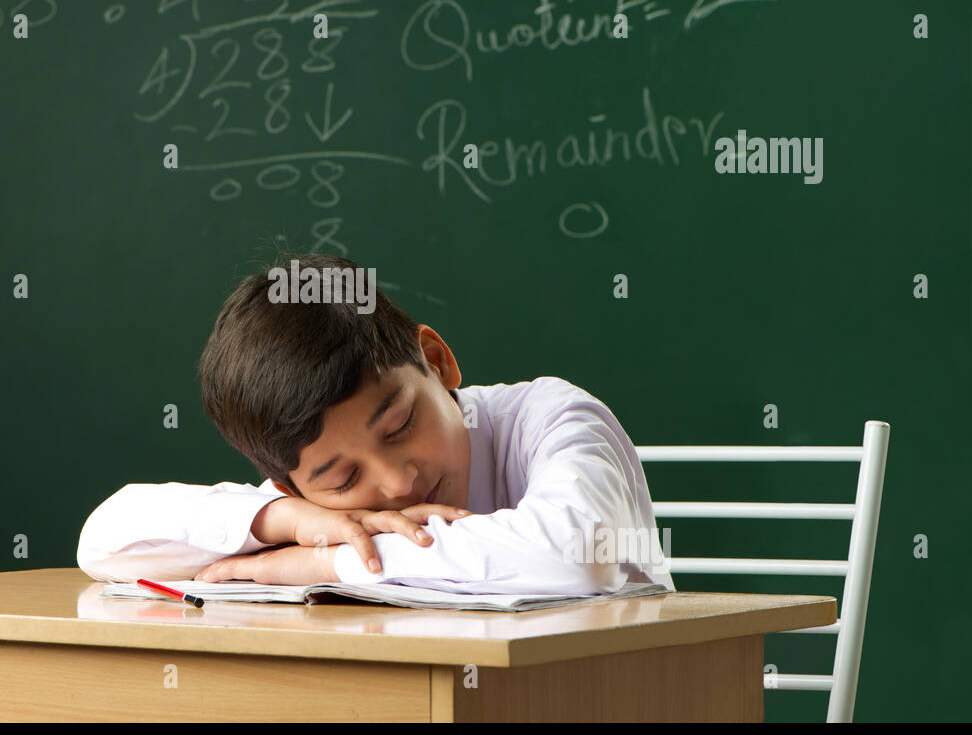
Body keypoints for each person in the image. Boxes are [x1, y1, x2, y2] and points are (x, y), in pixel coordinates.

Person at [77, 254, 674, 595]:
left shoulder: (551, 416)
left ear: (437, 362)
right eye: (342, 480)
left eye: (400, 424)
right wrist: (287, 523)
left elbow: (577, 554)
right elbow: (104, 541)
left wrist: (324, 565)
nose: (395, 482)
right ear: (296, 489)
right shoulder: (314, 510)